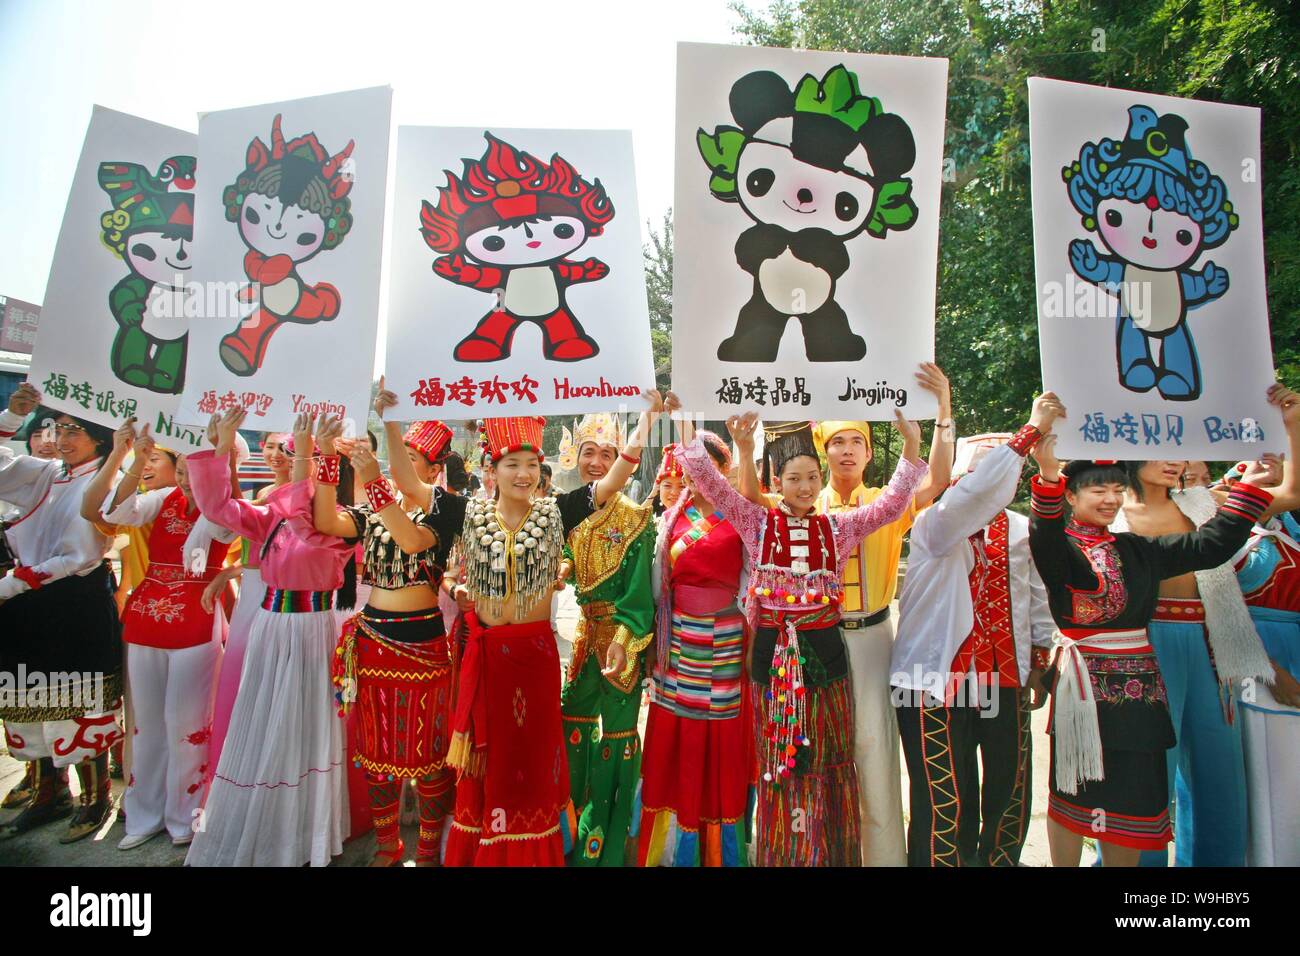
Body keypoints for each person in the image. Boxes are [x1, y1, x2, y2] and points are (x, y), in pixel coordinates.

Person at [677, 410, 926, 866]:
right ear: (781, 480)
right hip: (772, 658)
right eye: (795, 478)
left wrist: (911, 444)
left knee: (829, 758)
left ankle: (831, 853)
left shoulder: (839, 527)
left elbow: (891, 505)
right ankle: (786, 854)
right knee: (779, 763)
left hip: (826, 656)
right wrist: (682, 423)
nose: (806, 487)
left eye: (813, 477)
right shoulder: (757, 522)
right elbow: (711, 483)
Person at [1028, 441, 1276, 866]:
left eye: (1115, 489)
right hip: (1086, 693)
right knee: (1075, 792)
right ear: (1072, 496)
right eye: (1097, 490)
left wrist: (1249, 489)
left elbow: (1209, 546)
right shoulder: (1061, 551)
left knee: (1138, 798)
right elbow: (1044, 533)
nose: (1109, 498)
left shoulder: (1135, 549)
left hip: (1142, 693)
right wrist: (1049, 474)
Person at [444, 413, 643, 866]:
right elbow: (408, 490)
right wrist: (393, 428)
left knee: (532, 758)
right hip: (489, 655)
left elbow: (611, 485)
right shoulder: (471, 515)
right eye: (512, 463)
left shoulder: (554, 516)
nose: (524, 473)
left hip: (535, 656)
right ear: (491, 470)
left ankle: (534, 849)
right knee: (490, 757)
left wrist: (646, 425)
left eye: (532, 463)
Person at [889, 394, 1063, 867]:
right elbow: (974, 498)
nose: (983, 493)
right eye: (972, 481)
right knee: (946, 796)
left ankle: (1000, 861)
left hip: (1001, 678)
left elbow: (1038, 597)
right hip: (934, 683)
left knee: (1009, 784)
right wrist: (1028, 433)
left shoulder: (1023, 530)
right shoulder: (934, 526)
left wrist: (1040, 662)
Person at [184, 408, 357, 867]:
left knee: (305, 730)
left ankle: (304, 836)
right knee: (264, 725)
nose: (309, 472)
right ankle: (261, 831)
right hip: (272, 630)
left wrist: (304, 455)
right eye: (310, 465)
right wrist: (224, 445)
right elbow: (219, 509)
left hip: (313, 634)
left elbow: (308, 518)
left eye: (321, 466)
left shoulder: (341, 525)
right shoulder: (274, 519)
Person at [1112, 415, 1285, 866]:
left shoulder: (1203, 501)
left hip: (1211, 646)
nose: (1175, 461)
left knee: (1221, 779)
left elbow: (1290, 492)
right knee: (1148, 779)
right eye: (1160, 449)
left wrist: (1294, 424)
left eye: (1179, 449)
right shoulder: (1109, 514)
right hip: (1141, 649)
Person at [811, 362, 954, 866]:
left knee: (874, 754)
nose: (847, 450)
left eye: (857, 442)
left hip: (874, 639)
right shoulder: (804, 506)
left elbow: (937, 479)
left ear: (871, 453)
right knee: (822, 754)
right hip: (817, 639)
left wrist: (941, 410)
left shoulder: (888, 504)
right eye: (838, 441)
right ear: (823, 450)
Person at [307, 412, 460, 867]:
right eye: (398, 461)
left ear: (433, 472)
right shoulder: (376, 510)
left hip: (423, 645)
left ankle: (428, 851)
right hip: (373, 640)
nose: (399, 469)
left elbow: (412, 541)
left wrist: (375, 485)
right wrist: (328, 459)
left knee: (429, 756)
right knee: (375, 753)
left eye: (410, 460)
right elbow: (325, 522)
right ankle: (387, 848)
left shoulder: (448, 509)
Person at [83, 419, 237, 850]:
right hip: (146, 620)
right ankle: (143, 814)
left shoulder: (222, 509)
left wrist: (221, 458)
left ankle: (185, 817)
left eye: (198, 469)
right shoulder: (163, 497)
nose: (188, 478)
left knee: (186, 726)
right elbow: (114, 513)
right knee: (146, 726)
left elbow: (223, 530)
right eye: (184, 468)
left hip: (196, 621)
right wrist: (133, 459)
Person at [0, 384, 124, 843]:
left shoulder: (106, 481)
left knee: (78, 702)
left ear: (100, 440)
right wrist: (12, 418)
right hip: (27, 603)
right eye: (60, 427)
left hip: (73, 603)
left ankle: (94, 798)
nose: (63, 437)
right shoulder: (49, 472)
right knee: (28, 698)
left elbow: (78, 555)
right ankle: (48, 792)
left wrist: (10, 584)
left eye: (77, 431)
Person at [637, 422, 752, 866]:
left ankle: (717, 849)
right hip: (677, 637)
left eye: (708, 466)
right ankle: (670, 848)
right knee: (673, 733)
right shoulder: (669, 520)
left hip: (725, 638)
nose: (696, 475)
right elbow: (657, 587)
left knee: (720, 737)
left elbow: (751, 581)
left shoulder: (742, 516)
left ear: (724, 468)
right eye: (689, 467)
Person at [558, 407, 661, 866]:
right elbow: (565, 562)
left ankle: (605, 849)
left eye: (607, 453)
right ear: (573, 457)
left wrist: (623, 641)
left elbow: (640, 599)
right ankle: (569, 840)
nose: (596, 462)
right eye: (589, 453)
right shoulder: (568, 514)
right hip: (582, 643)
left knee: (616, 741)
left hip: (622, 644)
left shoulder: (637, 518)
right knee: (572, 730)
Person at [203, 430, 291, 772]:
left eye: (285, 448)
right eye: (270, 446)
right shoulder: (266, 492)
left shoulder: (300, 496)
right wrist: (231, 572)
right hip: (253, 588)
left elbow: (239, 516)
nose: (276, 453)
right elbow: (240, 519)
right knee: (240, 675)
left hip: (277, 592)